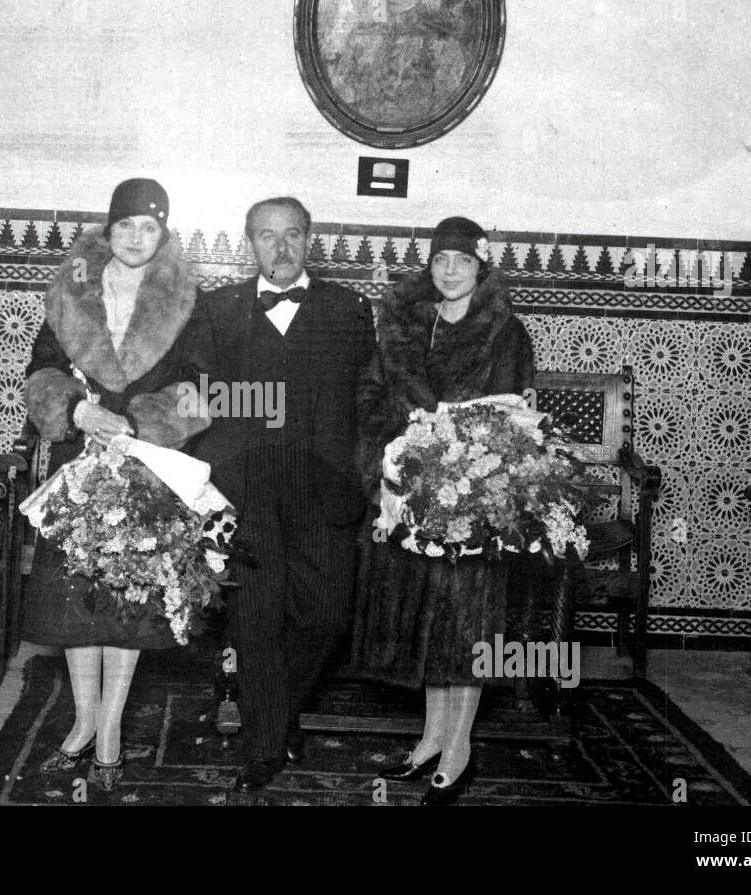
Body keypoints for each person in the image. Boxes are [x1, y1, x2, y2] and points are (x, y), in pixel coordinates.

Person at [21, 178, 209, 790]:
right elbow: (41, 369)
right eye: (124, 225)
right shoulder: (71, 289)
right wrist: (76, 410)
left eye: (147, 227)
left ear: (163, 234)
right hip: (78, 461)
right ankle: (80, 723)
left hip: (146, 460)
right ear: (108, 230)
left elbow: (200, 385)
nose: (135, 237)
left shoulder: (186, 299)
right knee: (76, 597)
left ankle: (111, 726)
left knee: (130, 598)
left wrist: (139, 422)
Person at [191, 197, 375, 791]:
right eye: (267, 236)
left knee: (327, 616)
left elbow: (367, 401)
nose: (281, 247)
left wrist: (364, 474)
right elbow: (201, 400)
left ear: (309, 240)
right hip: (247, 487)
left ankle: (277, 710)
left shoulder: (348, 309)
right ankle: (266, 744)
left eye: (292, 235)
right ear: (250, 243)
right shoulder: (217, 309)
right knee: (257, 619)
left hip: (323, 485)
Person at [350, 215, 535, 805]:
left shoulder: (506, 333)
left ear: (481, 267)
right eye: (440, 261)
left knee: (467, 622)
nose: (450, 270)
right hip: (411, 491)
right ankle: (431, 737)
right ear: (428, 268)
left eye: (461, 260)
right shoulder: (404, 330)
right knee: (428, 617)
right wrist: (397, 444)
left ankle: (459, 749)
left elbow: (512, 420)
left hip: (473, 495)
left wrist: (455, 448)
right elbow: (372, 397)